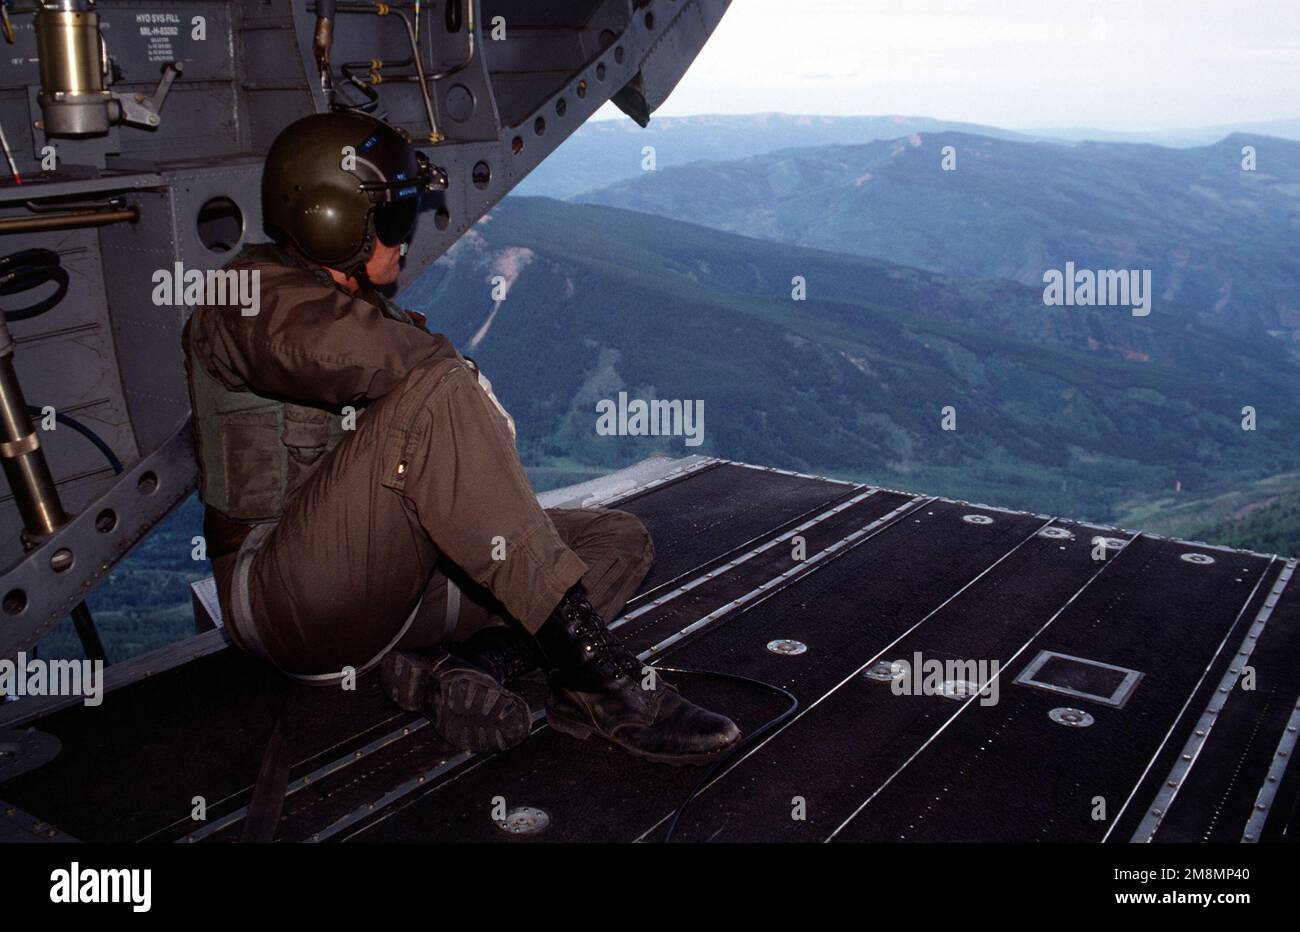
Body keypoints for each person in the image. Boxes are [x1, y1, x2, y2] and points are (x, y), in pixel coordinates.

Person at [181, 110, 740, 765]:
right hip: (289, 600)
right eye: (395, 218)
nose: (405, 238)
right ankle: (593, 675)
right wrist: (456, 378)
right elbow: (349, 353)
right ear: (332, 222)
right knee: (438, 389)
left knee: (616, 539)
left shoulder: (366, 306)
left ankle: (471, 668)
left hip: (392, 594)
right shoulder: (245, 298)